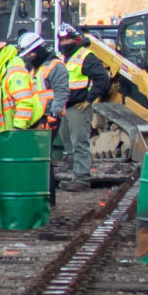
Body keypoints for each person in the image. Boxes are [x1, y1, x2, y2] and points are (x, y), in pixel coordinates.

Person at [57, 26, 112, 189]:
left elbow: (102, 79)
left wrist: (89, 100)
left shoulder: (86, 57)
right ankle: (75, 175)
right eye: (62, 40)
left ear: (76, 40)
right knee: (67, 143)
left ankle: (82, 178)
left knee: (79, 142)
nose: (65, 43)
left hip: (78, 107)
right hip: (64, 107)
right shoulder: (62, 57)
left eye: (68, 40)